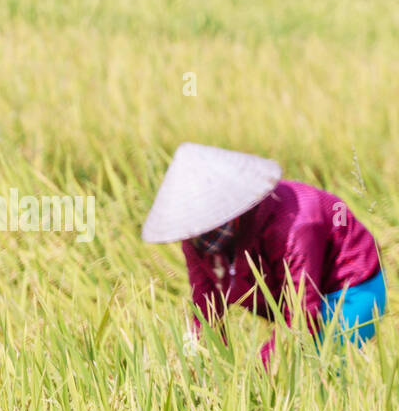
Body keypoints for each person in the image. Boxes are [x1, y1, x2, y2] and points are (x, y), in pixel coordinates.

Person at [141, 142, 384, 368]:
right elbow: (206, 306)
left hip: (349, 288)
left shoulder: (295, 226)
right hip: (281, 295)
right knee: (283, 372)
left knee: (318, 367)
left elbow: (301, 317)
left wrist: (257, 373)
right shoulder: (198, 237)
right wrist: (197, 362)